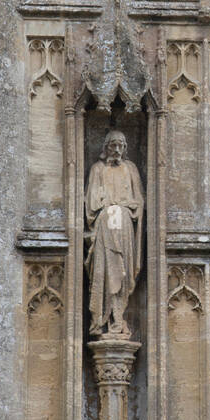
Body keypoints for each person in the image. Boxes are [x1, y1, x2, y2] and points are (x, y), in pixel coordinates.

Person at [85, 131, 145, 339]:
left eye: (121, 146)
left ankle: (119, 320)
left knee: (123, 271)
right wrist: (109, 206)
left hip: (125, 227)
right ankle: (100, 319)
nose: (117, 150)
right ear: (106, 147)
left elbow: (139, 201)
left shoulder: (131, 169)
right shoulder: (98, 170)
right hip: (105, 226)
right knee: (103, 272)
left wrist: (127, 206)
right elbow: (91, 204)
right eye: (113, 146)